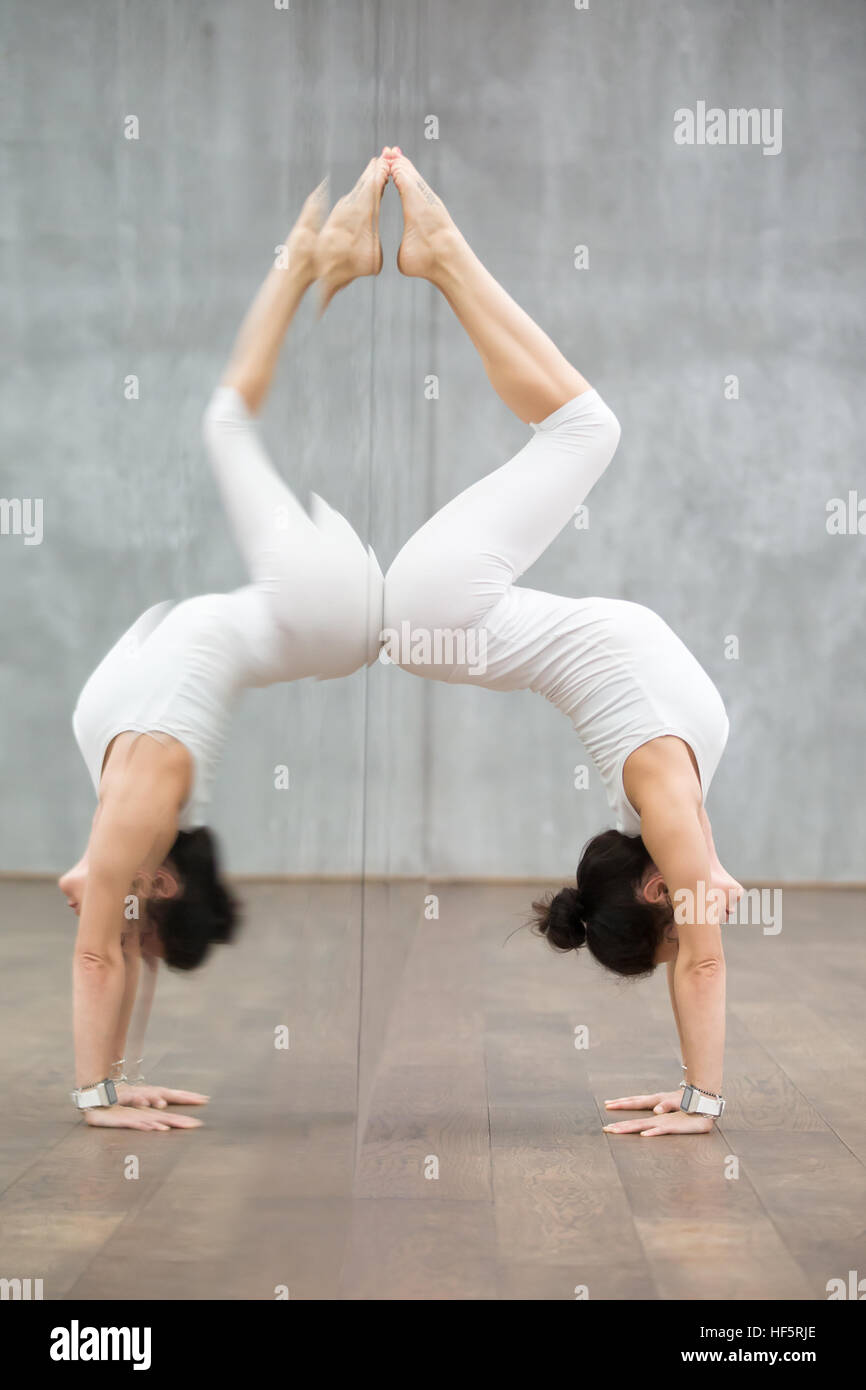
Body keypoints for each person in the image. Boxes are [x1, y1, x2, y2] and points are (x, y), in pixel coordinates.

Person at [381, 149, 742, 1137]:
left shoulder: (666, 798)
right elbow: (704, 921)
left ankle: (443, 253)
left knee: (585, 429)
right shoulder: (675, 807)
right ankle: (439, 256)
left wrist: (700, 1100)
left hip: (444, 608)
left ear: (651, 887)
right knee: (579, 429)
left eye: (676, 922)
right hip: (445, 616)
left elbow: (703, 954)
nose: (701, 931)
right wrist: (688, 1083)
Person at [59, 157, 391, 1131]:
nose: (112, 923)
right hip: (317, 608)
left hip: (318, 609)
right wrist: (100, 1093)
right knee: (221, 421)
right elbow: (104, 951)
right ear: (162, 881)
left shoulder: (140, 810)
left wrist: (115, 1083)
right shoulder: (148, 796)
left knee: (223, 422)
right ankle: (310, 256)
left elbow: (117, 944)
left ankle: (312, 256)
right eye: (138, 918)